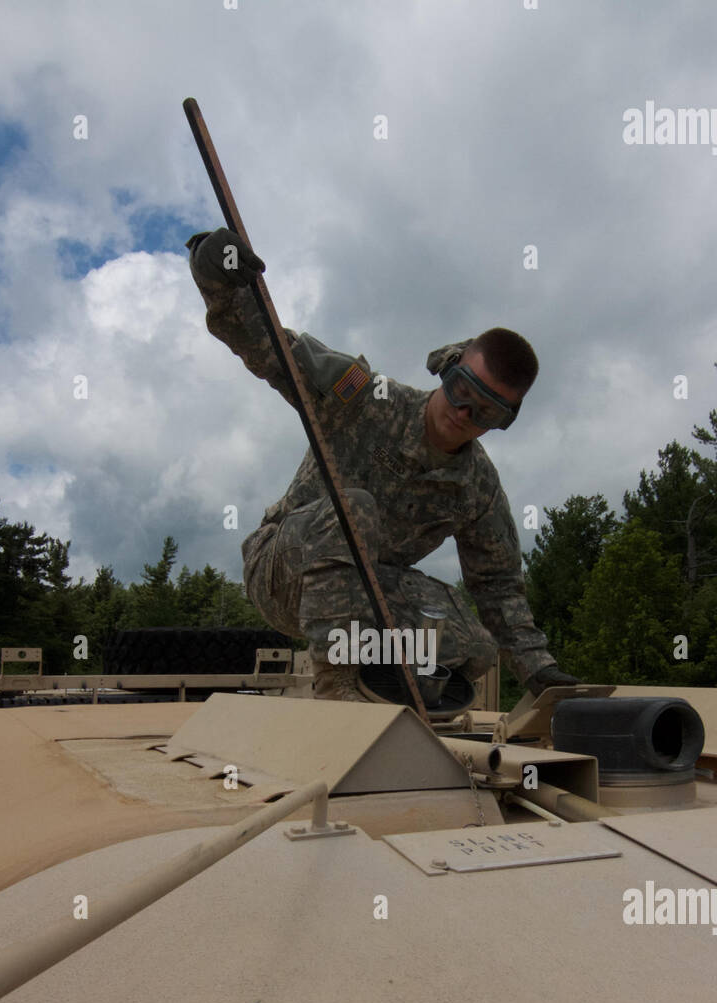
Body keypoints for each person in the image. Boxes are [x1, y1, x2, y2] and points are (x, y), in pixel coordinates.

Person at [186, 227, 581, 702]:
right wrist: (215, 271)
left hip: (365, 599)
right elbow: (272, 348)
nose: (464, 414)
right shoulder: (365, 398)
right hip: (283, 569)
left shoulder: (477, 487)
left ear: (504, 420)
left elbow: (498, 586)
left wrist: (540, 672)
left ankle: (384, 681)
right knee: (356, 508)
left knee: (474, 644)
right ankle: (338, 686)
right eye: (461, 391)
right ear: (446, 369)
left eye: (487, 412)